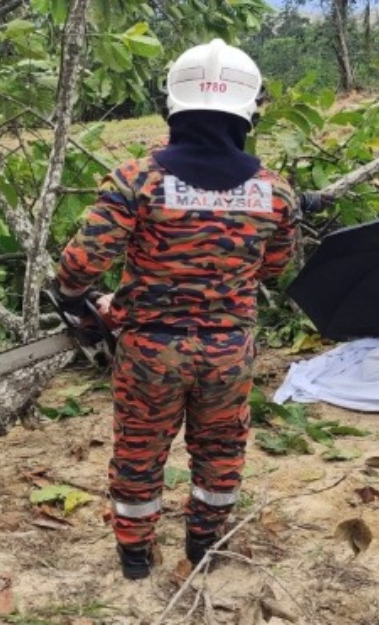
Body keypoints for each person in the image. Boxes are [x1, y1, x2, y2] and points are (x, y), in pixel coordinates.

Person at [50, 39, 301, 580]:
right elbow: (277, 269)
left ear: (173, 105)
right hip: (229, 351)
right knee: (220, 450)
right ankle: (205, 547)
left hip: (151, 351)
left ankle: (135, 556)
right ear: (249, 110)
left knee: (139, 453)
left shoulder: (137, 179)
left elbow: (80, 265)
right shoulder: (275, 192)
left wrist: (77, 299)